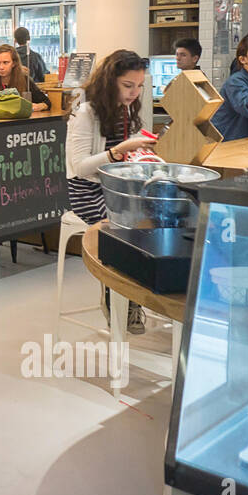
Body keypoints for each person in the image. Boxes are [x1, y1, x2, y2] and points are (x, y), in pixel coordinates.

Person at [64, 50, 157, 334]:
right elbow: (80, 167)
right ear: (110, 81)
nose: (134, 92)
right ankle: (119, 297)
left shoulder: (126, 109)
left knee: (158, 220)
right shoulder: (86, 112)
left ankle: (133, 292)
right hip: (87, 190)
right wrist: (118, 152)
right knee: (124, 230)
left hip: (117, 187)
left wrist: (140, 151)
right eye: (128, 85)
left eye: (139, 86)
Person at [0, 43, 50, 111]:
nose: (1, 67)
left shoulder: (25, 81)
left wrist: (40, 106)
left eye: (5, 62)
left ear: (14, 63)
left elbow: (46, 102)